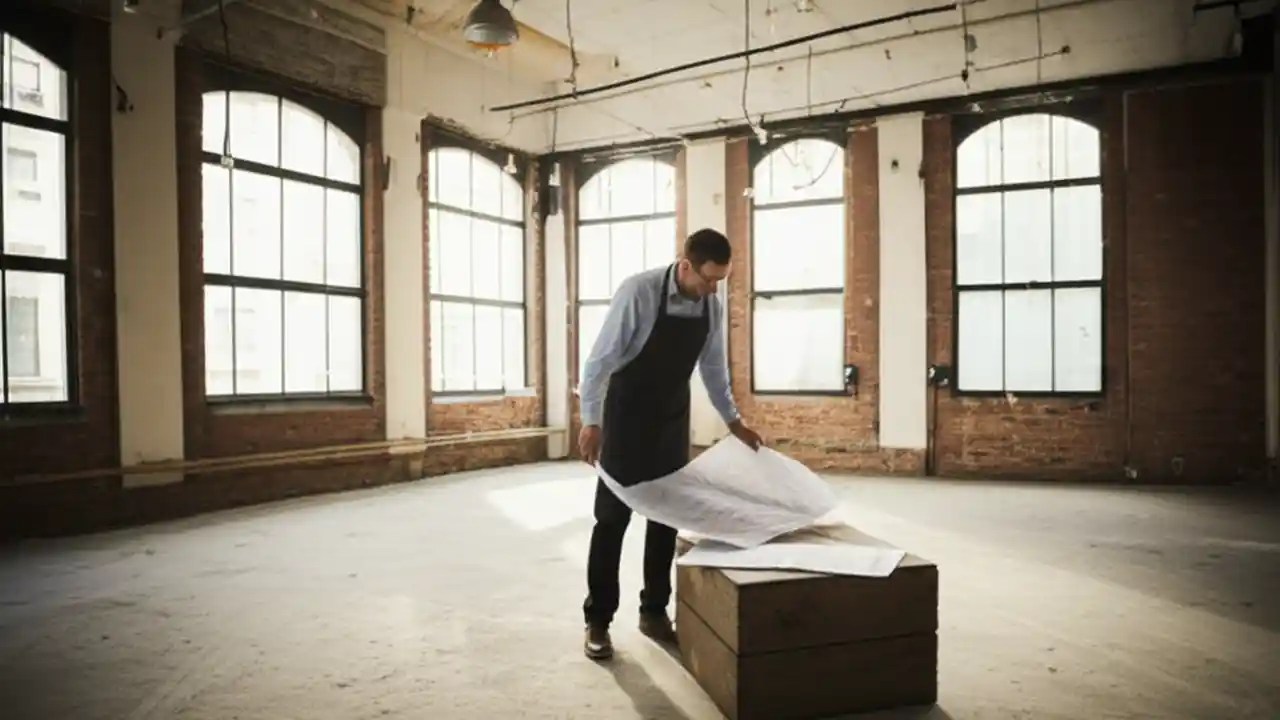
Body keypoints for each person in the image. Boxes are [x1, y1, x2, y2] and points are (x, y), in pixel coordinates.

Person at [577, 227, 763, 660]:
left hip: (670, 419)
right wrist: (591, 421)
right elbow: (600, 361)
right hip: (624, 416)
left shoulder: (710, 307)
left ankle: (654, 611)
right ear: (685, 266)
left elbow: (714, 370)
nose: (712, 289)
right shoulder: (638, 292)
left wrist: (734, 422)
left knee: (665, 519)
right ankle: (598, 620)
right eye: (707, 279)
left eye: (720, 280)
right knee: (611, 520)